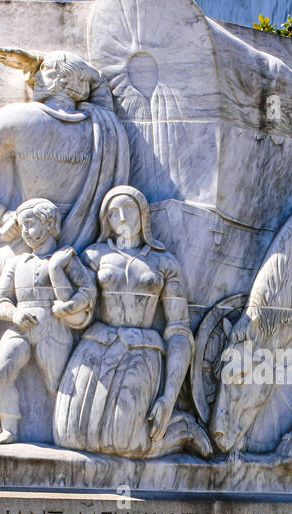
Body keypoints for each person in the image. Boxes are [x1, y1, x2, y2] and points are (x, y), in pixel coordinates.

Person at [0, 48, 128, 440]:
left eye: (41, 73)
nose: (34, 79)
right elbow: (102, 94)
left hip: (20, 248)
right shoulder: (107, 128)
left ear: (53, 79)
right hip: (77, 252)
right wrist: (57, 66)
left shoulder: (18, 118)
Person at [53, 185, 211, 458]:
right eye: (113, 213)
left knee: (128, 443)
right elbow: (83, 308)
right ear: (106, 221)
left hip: (141, 352)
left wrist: (169, 396)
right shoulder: (94, 255)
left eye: (129, 209)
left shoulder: (164, 262)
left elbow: (179, 330)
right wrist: (58, 277)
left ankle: (183, 428)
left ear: (143, 214)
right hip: (96, 348)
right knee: (69, 435)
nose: (123, 218)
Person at [0, 199, 95, 445]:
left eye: (30, 224)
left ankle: (67, 434)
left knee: (59, 385)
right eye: (22, 226)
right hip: (21, 326)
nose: (25, 232)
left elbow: (88, 291)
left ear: (48, 224)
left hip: (54, 327)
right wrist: (14, 314)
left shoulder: (65, 258)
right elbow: (0, 301)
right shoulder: (16, 263)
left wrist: (70, 306)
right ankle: (9, 428)